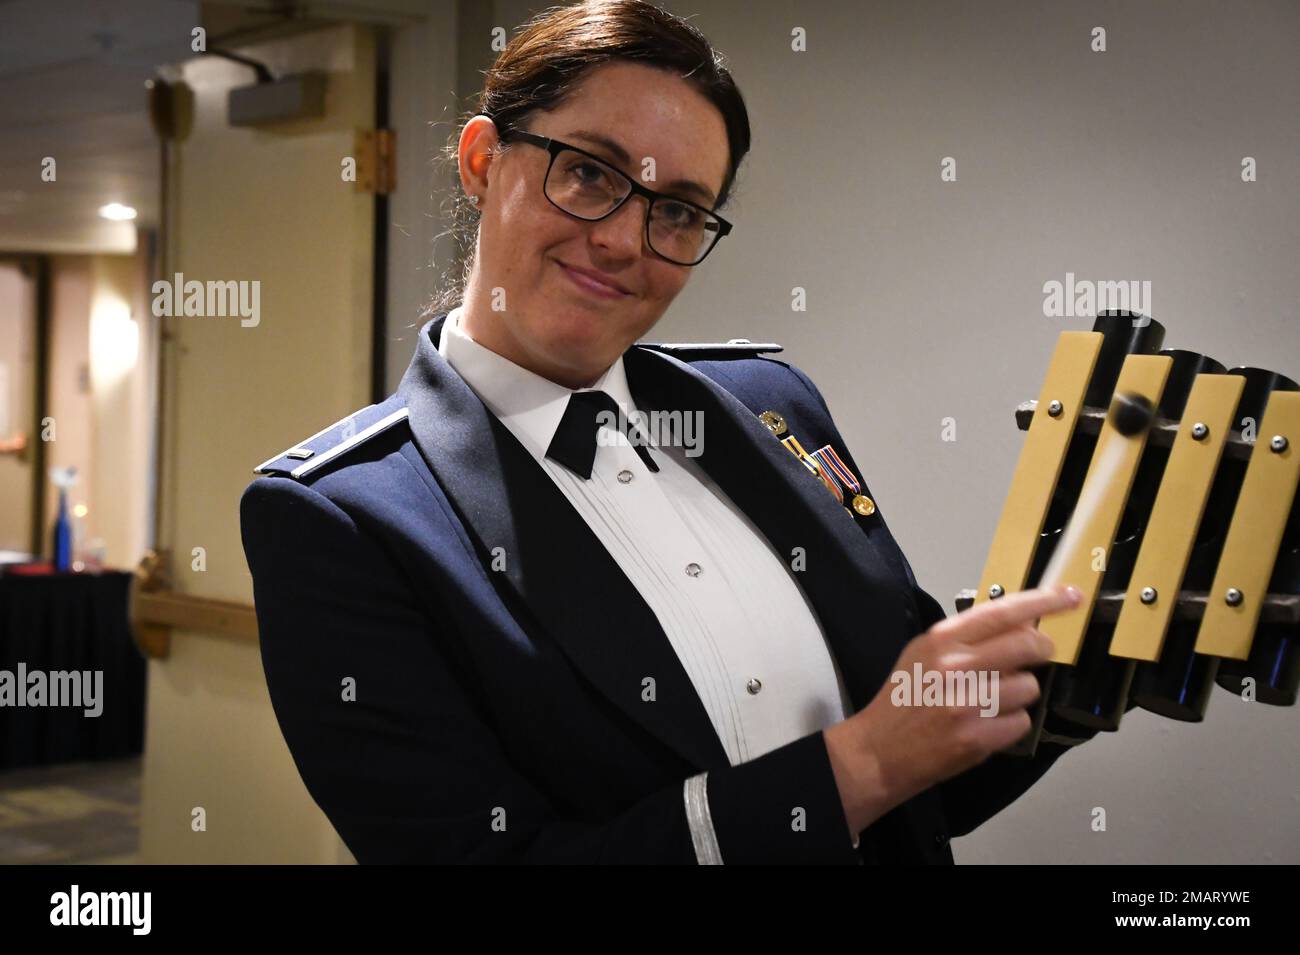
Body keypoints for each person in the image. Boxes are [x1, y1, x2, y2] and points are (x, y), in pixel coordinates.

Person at [240, 0, 1089, 864]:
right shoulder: (342, 519)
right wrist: (861, 763)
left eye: (678, 211)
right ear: (483, 161)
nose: (620, 240)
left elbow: (927, 780)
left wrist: (1104, 640)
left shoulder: (773, 402)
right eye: (588, 173)